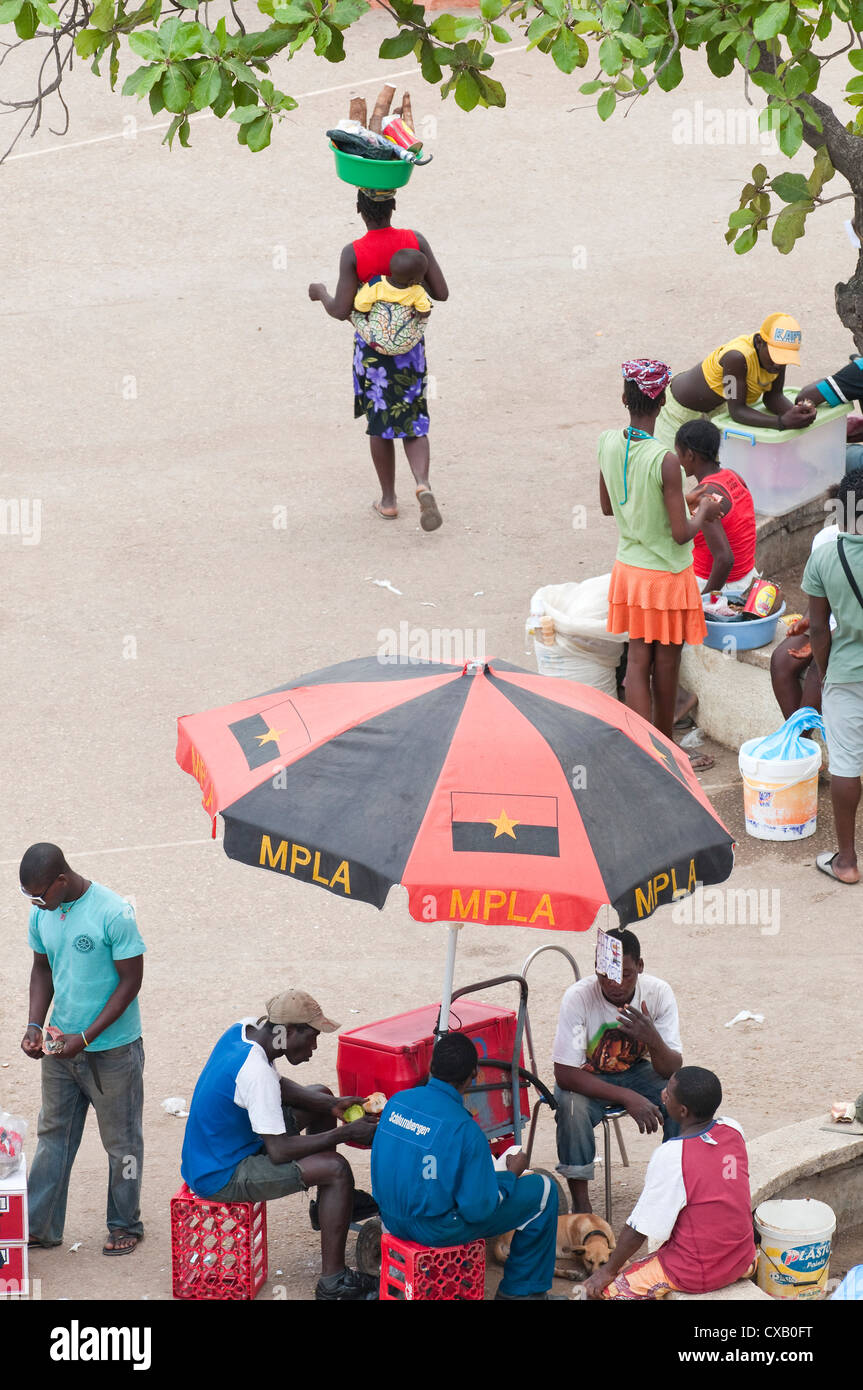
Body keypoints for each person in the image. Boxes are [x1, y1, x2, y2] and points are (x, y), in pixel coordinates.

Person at [180, 988, 379, 1301]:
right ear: (288, 1032)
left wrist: (332, 1105)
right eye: (311, 1037)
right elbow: (280, 1151)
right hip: (222, 1173)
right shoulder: (255, 1071)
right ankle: (333, 1283)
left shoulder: (244, 1032)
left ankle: (326, 1206)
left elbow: (275, 1084)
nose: (314, 1047)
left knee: (322, 1096)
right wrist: (345, 1133)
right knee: (336, 1169)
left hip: (218, 1149)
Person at [19, 842, 146, 1256]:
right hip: (60, 1046)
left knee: (121, 1142)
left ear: (61, 879)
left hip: (112, 1051)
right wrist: (35, 1025)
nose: (37, 903)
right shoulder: (44, 913)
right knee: (54, 1134)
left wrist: (87, 1037)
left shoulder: (113, 912)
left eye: (40, 893)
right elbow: (42, 968)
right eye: (30, 897)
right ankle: (39, 1225)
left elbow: (131, 982)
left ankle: (125, 1223)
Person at [371, 1031, 563, 1300]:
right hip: (433, 1229)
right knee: (543, 1190)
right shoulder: (465, 1129)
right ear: (473, 1075)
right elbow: (477, 1210)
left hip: (389, 1219)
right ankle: (521, 1292)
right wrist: (510, 1174)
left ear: (431, 1066)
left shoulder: (396, 1103)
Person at [599, 358, 723, 762]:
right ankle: (667, 751)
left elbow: (608, 506)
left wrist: (680, 501)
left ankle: (641, 748)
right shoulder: (665, 459)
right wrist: (703, 509)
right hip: (666, 576)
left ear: (624, 398)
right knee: (666, 662)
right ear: (664, 398)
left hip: (629, 571)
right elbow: (680, 533)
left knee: (637, 660)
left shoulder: (607, 442)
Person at [308, 189, 448, 530]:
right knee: (413, 420)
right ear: (394, 205)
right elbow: (441, 293)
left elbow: (342, 310)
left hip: (373, 355)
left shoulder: (354, 253)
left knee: (380, 425)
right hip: (409, 354)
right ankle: (423, 484)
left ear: (359, 209)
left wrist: (320, 293)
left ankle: (388, 501)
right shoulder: (414, 241)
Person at [583, 1067, 757, 1300]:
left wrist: (607, 1271)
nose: (663, 1093)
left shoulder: (672, 1155)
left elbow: (640, 1228)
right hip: (742, 1258)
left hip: (699, 1271)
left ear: (682, 1111)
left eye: (668, 1093)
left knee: (607, 1290)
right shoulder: (732, 1128)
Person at [553, 928, 682, 1215]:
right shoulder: (579, 998)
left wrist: (652, 1039)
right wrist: (627, 1097)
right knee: (570, 1107)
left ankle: (672, 1185)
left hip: (636, 1070)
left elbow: (672, 1068)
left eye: (626, 974)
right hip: (587, 1077)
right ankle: (582, 1205)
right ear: (597, 970)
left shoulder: (657, 993)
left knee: (681, 1094)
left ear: (640, 967)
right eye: (606, 975)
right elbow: (564, 1074)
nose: (616, 984)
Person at [802, 468, 863, 884]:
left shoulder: (824, 556)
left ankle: (846, 862)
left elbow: (818, 629)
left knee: (845, 765)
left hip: (846, 672)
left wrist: (824, 672)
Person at [653, 314, 816, 449]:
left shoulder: (776, 361)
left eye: (784, 358)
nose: (778, 364)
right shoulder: (737, 358)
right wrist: (781, 422)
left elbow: (773, 397)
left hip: (717, 410)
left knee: (719, 467)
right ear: (759, 342)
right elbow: (737, 411)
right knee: (672, 473)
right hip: (679, 410)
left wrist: (797, 414)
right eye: (775, 356)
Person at [770, 507, 840, 720]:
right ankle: (800, 742)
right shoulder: (827, 538)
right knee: (781, 661)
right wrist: (809, 621)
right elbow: (819, 595)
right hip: (828, 619)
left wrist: (824, 639)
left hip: (852, 627)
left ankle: (798, 743)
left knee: (818, 668)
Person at [675, 418, 757, 598]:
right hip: (747, 576)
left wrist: (704, 601)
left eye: (678, 454)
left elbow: (725, 559)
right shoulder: (733, 476)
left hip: (716, 583)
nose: (678, 461)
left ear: (690, 455)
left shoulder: (703, 496)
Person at [351, 248, 432, 355]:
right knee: (424, 316)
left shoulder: (376, 282)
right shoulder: (417, 291)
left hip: (376, 342)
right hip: (405, 346)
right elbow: (425, 313)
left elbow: (360, 306)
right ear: (413, 281)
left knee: (355, 313)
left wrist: (366, 311)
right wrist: (427, 306)